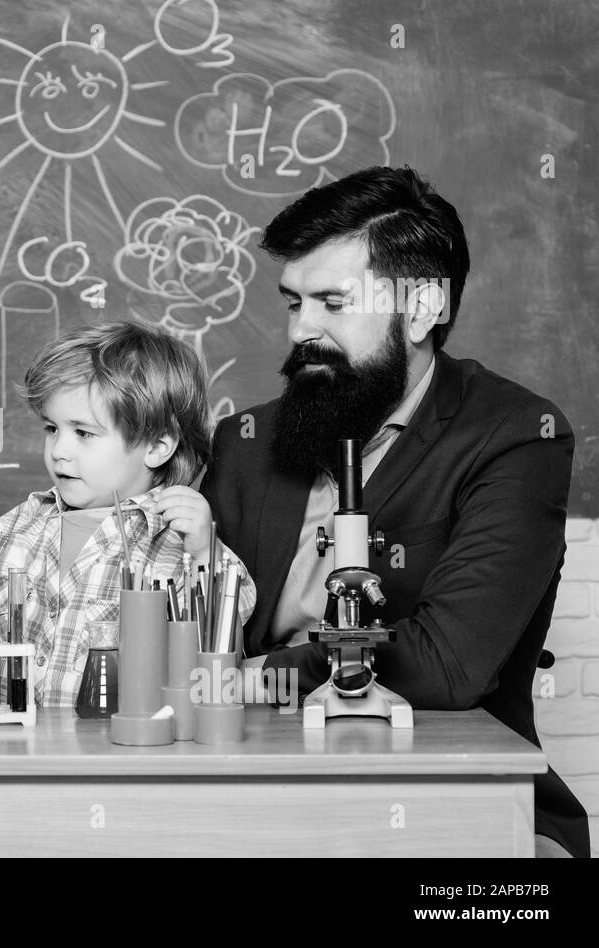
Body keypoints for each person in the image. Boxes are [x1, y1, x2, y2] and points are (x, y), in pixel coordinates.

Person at [200, 165, 589, 857]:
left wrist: (263, 675)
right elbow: (197, 643)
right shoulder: (247, 441)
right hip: (253, 777)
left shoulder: (517, 436)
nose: (300, 331)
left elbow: (447, 664)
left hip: (448, 789)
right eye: (294, 302)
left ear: (422, 308)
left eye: (331, 302)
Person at [0, 320, 254, 707]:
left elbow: (221, 653)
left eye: (84, 433)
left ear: (158, 446)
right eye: (51, 429)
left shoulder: (174, 539)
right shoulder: (24, 524)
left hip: (124, 756)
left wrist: (203, 554)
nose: (59, 450)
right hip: (17, 754)